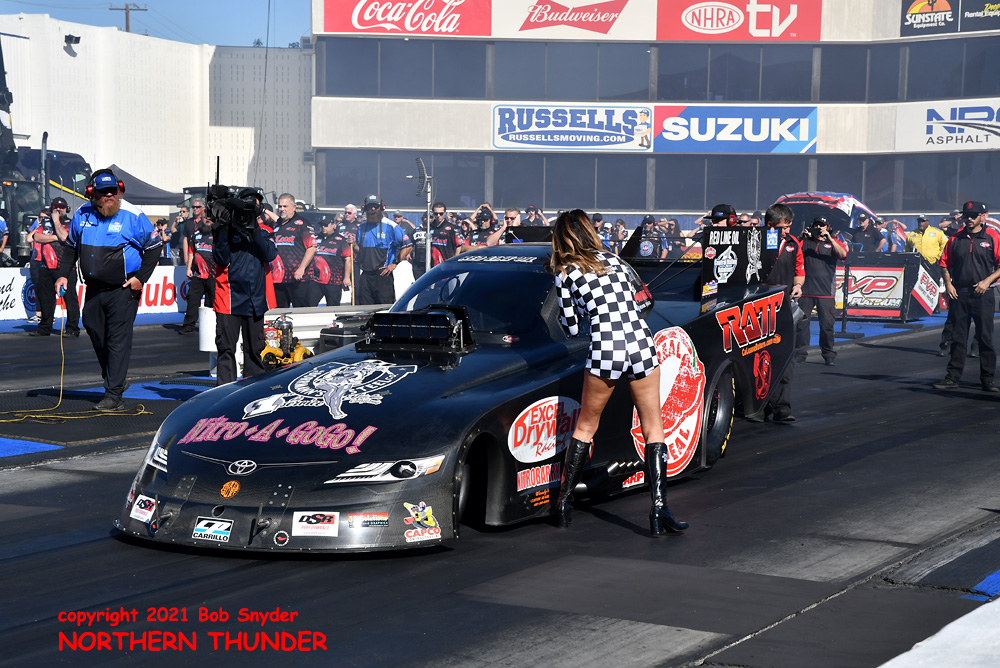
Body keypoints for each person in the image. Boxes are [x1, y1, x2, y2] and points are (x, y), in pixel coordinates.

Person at [550, 209, 687, 536]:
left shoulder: (565, 271)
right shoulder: (615, 261)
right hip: (641, 341)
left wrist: (589, 315)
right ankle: (659, 510)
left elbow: (570, 327)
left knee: (586, 425)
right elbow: (644, 304)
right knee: (654, 427)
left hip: (607, 346)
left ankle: (563, 505)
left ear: (562, 237)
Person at [55, 168, 161, 412]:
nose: (109, 196)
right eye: (103, 193)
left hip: (123, 290)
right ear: (92, 193)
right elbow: (71, 248)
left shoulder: (133, 215)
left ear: (119, 189)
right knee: (93, 328)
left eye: (113, 191)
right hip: (93, 289)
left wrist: (140, 279)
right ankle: (116, 376)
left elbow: (154, 247)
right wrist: (62, 274)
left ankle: (113, 394)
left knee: (117, 340)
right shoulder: (82, 214)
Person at [932, 201, 1000, 392]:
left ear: (982, 217)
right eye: (966, 215)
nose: (968, 219)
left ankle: (987, 380)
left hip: (983, 294)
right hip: (959, 294)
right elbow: (944, 263)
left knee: (985, 338)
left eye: (973, 215)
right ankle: (952, 378)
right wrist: (948, 283)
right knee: (958, 337)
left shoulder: (993, 237)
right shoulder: (955, 238)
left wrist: (987, 281)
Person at [212, 191, 278, 385]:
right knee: (226, 348)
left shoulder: (265, 230)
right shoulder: (225, 229)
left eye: (254, 204)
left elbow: (270, 254)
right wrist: (225, 229)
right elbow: (220, 258)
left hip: (256, 299)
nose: (250, 208)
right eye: (246, 204)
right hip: (228, 299)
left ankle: (252, 392)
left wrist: (254, 229)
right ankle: (224, 393)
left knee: (254, 350)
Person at [756, 203, 804, 422]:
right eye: (784, 227)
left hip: (784, 306)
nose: (787, 231)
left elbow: (799, 272)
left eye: (789, 226)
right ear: (770, 225)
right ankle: (758, 406)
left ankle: (782, 407)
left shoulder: (794, 244)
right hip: (757, 308)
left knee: (786, 356)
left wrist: (798, 286)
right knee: (759, 358)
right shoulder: (756, 242)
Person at [795, 216, 847, 366]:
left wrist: (829, 237)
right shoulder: (805, 242)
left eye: (822, 226)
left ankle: (828, 354)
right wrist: (801, 236)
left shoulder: (833, 242)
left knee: (827, 325)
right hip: (805, 291)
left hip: (825, 291)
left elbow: (843, 255)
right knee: (802, 325)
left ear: (827, 227)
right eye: (816, 226)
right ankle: (800, 353)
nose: (819, 229)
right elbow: (792, 254)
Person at [30, 197, 81, 337]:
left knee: (70, 299)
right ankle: (44, 328)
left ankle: (72, 328)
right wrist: (56, 237)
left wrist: (57, 222)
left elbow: (66, 237)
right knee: (45, 299)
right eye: (55, 207)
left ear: (66, 209)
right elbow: (37, 237)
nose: (58, 210)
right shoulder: (45, 222)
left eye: (61, 207)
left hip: (66, 268)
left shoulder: (71, 222)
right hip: (45, 266)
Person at [348, 194, 412, 305]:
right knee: (364, 311)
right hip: (366, 275)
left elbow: (408, 245)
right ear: (365, 208)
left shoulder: (391, 226)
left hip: (383, 275)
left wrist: (394, 263)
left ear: (381, 207)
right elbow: (361, 252)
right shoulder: (361, 227)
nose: (373, 209)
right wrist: (354, 245)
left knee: (384, 311)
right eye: (370, 206)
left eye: (375, 206)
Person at [266, 193, 317, 308]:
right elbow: (277, 218)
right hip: (279, 279)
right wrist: (266, 211)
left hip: (298, 279)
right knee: (279, 315)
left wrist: (302, 268)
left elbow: (312, 247)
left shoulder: (302, 224)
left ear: (294, 207)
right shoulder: (278, 224)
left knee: (301, 313)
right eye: (280, 206)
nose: (282, 209)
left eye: (285, 206)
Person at [179, 211, 215, 334]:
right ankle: (188, 325)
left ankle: (212, 327)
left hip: (213, 275)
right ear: (202, 218)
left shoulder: (219, 234)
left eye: (211, 217)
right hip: (198, 274)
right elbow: (191, 252)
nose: (208, 219)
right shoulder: (196, 234)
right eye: (206, 217)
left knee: (212, 301)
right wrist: (188, 268)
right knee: (192, 298)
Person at [311, 216, 352, 306]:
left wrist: (346, 277)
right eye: (322, 225)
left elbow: (347, 259)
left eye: (326, 225)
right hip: (316, 280)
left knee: (333, 306)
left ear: (333, 225)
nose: (323, 227)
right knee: (310, 304)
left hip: (333, 280)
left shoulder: (341, 240)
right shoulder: (315, 238)